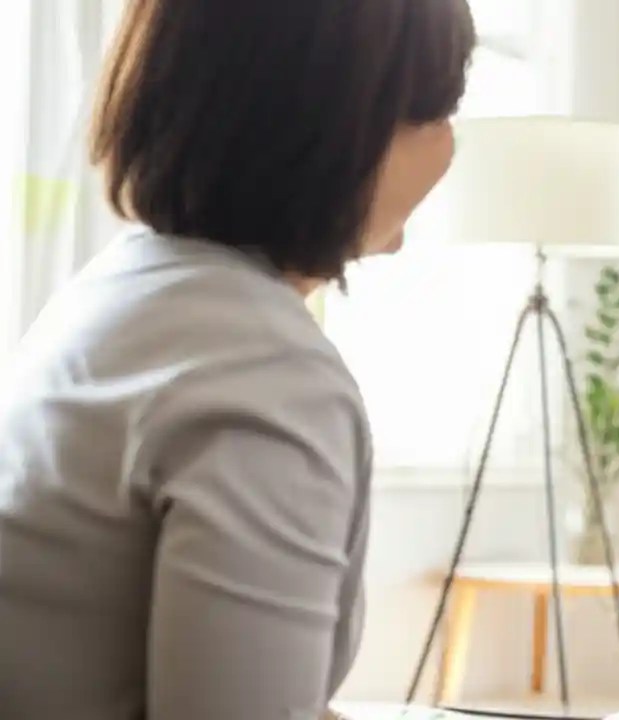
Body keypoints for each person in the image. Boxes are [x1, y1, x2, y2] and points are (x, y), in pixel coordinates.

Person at [0, 1, 474, 717]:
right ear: (339, 126)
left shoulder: (112, 296)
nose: (449, 147)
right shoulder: (266, 377)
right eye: (438, 110)